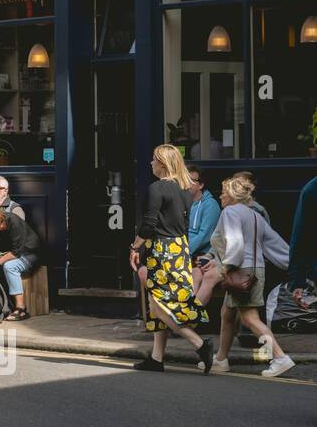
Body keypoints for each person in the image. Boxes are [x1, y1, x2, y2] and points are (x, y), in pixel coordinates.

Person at [194, 175, 294, 377]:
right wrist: (294, 264)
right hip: (254, 269)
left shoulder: (230, 212)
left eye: (223, 192)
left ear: (231, 195)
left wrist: (225, 267)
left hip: (240, 270)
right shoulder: (253, 215)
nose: (220, 195)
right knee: (227, 314)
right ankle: (221, 360)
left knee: (249, 319)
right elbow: (273, 243)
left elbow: (235, 244)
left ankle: (280, 358)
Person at [129, 143, 214, 374]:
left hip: (162, 250)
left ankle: (199, 344)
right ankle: (156, 359)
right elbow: (182, 225)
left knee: (158, 307)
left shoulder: (157, 188)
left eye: (154, 159)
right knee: (161, 302)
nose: (151, 163)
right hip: (179, 249)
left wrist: (135, 247)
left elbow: (149, 224)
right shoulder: (185, 190)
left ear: (163, 163)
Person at [0, 202, 40, 321]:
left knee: (10, 266)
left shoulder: (13, 221)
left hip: (29, 254)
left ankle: (21, 309)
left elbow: (16, 252)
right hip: (6, 253)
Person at [285, 175, 317, 308]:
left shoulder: (312, 189)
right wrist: (297, 281)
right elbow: (300, 238)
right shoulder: (312, 190)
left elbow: (300, 237)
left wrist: (297, 282)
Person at [185, 163, 220, 259]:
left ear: (201, 185)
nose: (186, 183)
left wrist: (185, 251)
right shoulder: (183, 202)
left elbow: (205, 235)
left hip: (200, 256)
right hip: (182, 253)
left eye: (190, 180)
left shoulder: (211, 205)